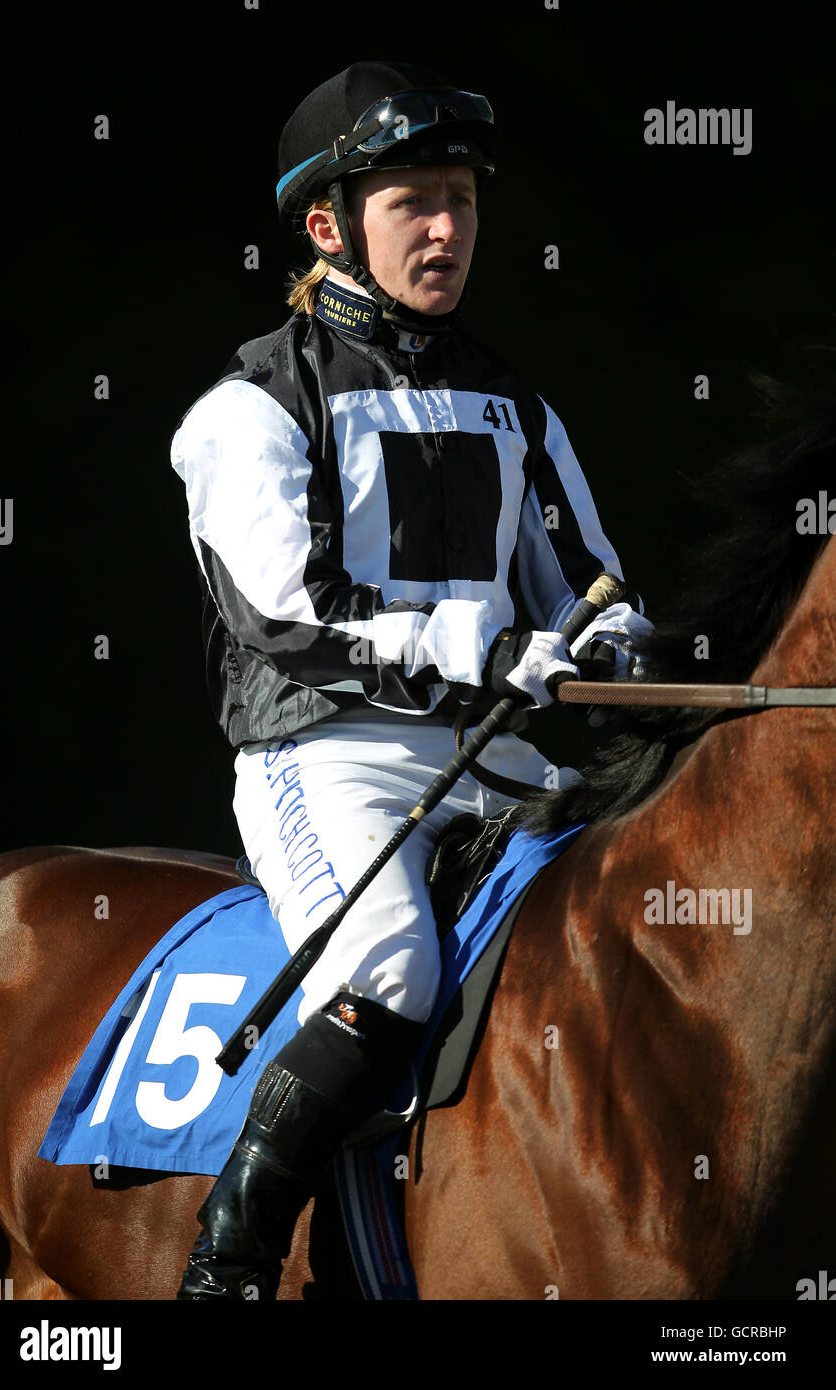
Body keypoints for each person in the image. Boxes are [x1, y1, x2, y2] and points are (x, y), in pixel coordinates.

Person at [170, 60, 652, 1300]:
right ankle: (226, 1262)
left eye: (461, 200)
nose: (446, 229)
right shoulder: (250, 404)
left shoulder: (513, 403)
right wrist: (469, 648)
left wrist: (613, 647)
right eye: (412, 203)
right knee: (390, 971)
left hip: (502, 765)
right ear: (327, 226)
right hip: (326, 755)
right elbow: (284, 616)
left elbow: (590, 586)